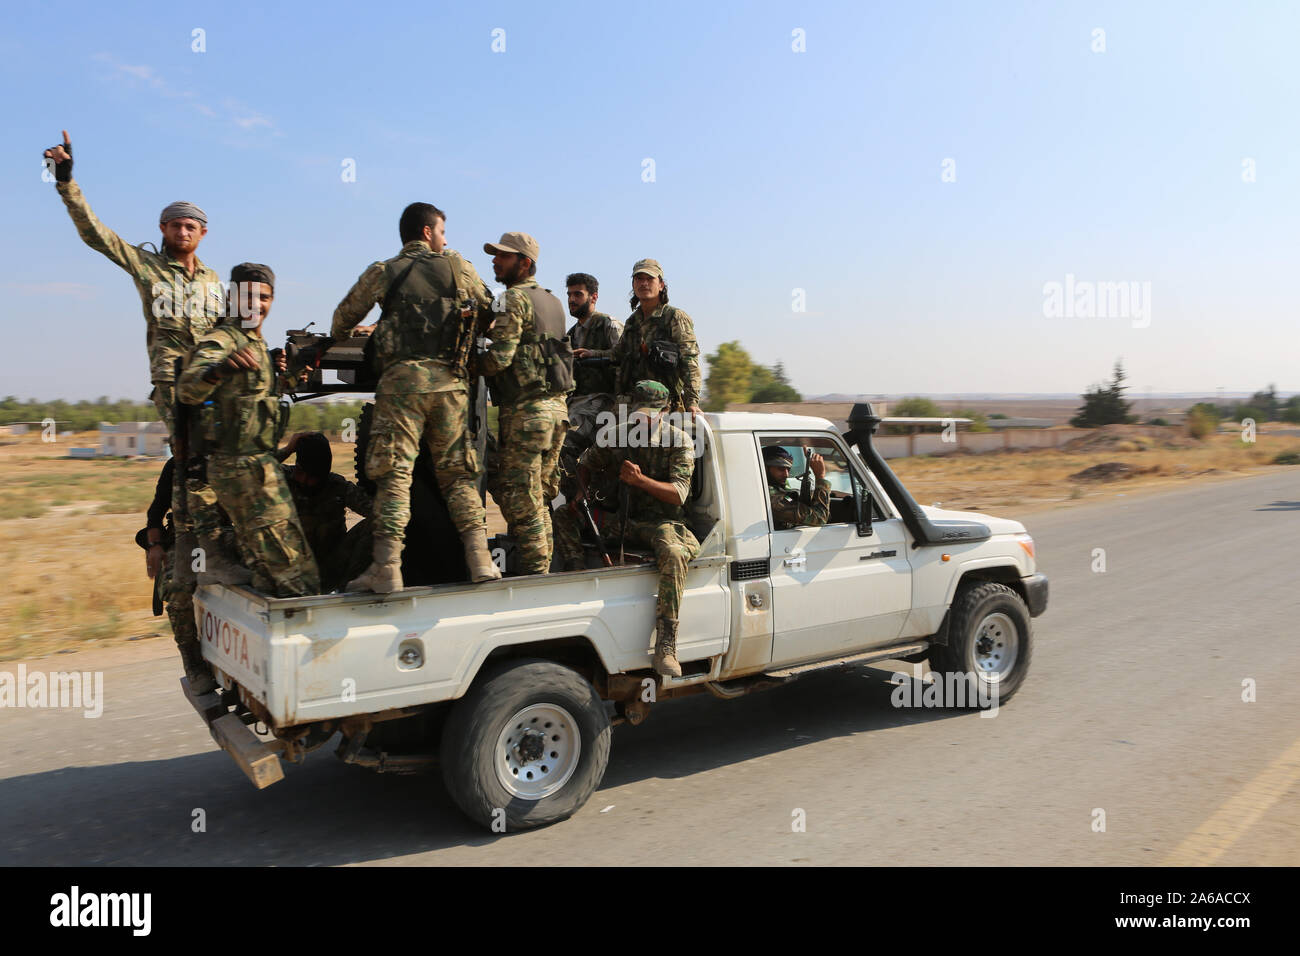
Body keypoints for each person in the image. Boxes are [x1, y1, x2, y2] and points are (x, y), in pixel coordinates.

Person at [330, 202, 499, 591]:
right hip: (450, 387)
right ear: (427, 232)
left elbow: (340, 321)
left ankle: (387, 569)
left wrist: (379, 323)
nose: (445, 239)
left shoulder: (383, 272)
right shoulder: (459, 267)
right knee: (458, 477)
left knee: (395, 477)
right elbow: (490, 314)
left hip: (401, 387)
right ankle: (480, 561)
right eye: (442, 231)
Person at [176, 263, 320, 597]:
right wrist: (219, 370)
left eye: (265, 297)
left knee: (266, 566)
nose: (257, 304)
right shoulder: (223, 339)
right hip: (244, 467)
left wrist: (295, 372)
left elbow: (261, 395)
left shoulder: (253, 342)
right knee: (296, 570)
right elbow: (187, 389)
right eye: (249, 297)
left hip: (255, 465)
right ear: (232, 298)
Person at [577, 381, 698, 677]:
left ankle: (666, 644)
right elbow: (586, 462)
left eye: (650, 414)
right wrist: (581, 494)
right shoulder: (616, 436)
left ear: (666, 411)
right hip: (623, 520)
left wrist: (640, 481)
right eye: (638, 413)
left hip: (662, 523)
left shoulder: (679, 441)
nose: (643, 420)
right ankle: (575, 581)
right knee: (563, 520)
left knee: (673, 551)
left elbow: (679, 493)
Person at [480, 232, 571, 575]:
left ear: (525, 263)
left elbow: (499, 358)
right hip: (556, 412)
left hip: (527, 413)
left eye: (504, 256)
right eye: (496, 255)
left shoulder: (513, 299)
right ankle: (543, 569)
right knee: (538, 500)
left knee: (520, 499)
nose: (495, 261)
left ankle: (535, 579)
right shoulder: (551, 301)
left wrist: (465, 366)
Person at [553, 273, 623, 570]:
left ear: (593, 297)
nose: (572, 300)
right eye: (569, 294)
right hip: (577, 401)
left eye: (577, 295)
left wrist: (593, 354)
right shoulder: (571, 332)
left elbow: (623, 356)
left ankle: (579, 500)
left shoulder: (608, 325)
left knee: (566, 444)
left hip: (603, 400)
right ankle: (573, 504)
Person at [276, 432, 374, 591]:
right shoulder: (280, 478)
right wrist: (287, 450)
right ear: (299, 468)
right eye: (303, 473)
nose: (308, 481)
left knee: (378, 521)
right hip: (292, 571)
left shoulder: (337, 485)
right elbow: (251, 472)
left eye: (317, 476)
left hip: (332, 566)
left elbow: (375, 511)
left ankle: (347, 588)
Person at [611, 259, 702, 417]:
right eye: (639, 279)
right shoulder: (632, 322)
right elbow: (617, 354)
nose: (644, 283)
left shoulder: (675, 317)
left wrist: (692, 402)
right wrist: (591, 353)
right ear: (633, 285)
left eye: (650, 278)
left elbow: (690, 361)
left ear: (661, 285)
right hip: (631, 405)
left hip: (663, 406)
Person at [765, 445, 830, 529]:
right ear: (765, 468)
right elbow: (819, 518)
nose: (786, 474)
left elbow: (790, 500)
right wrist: (820, 477)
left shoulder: (776, 491)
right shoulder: (774, 499)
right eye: (780, 469)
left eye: (788, 469)